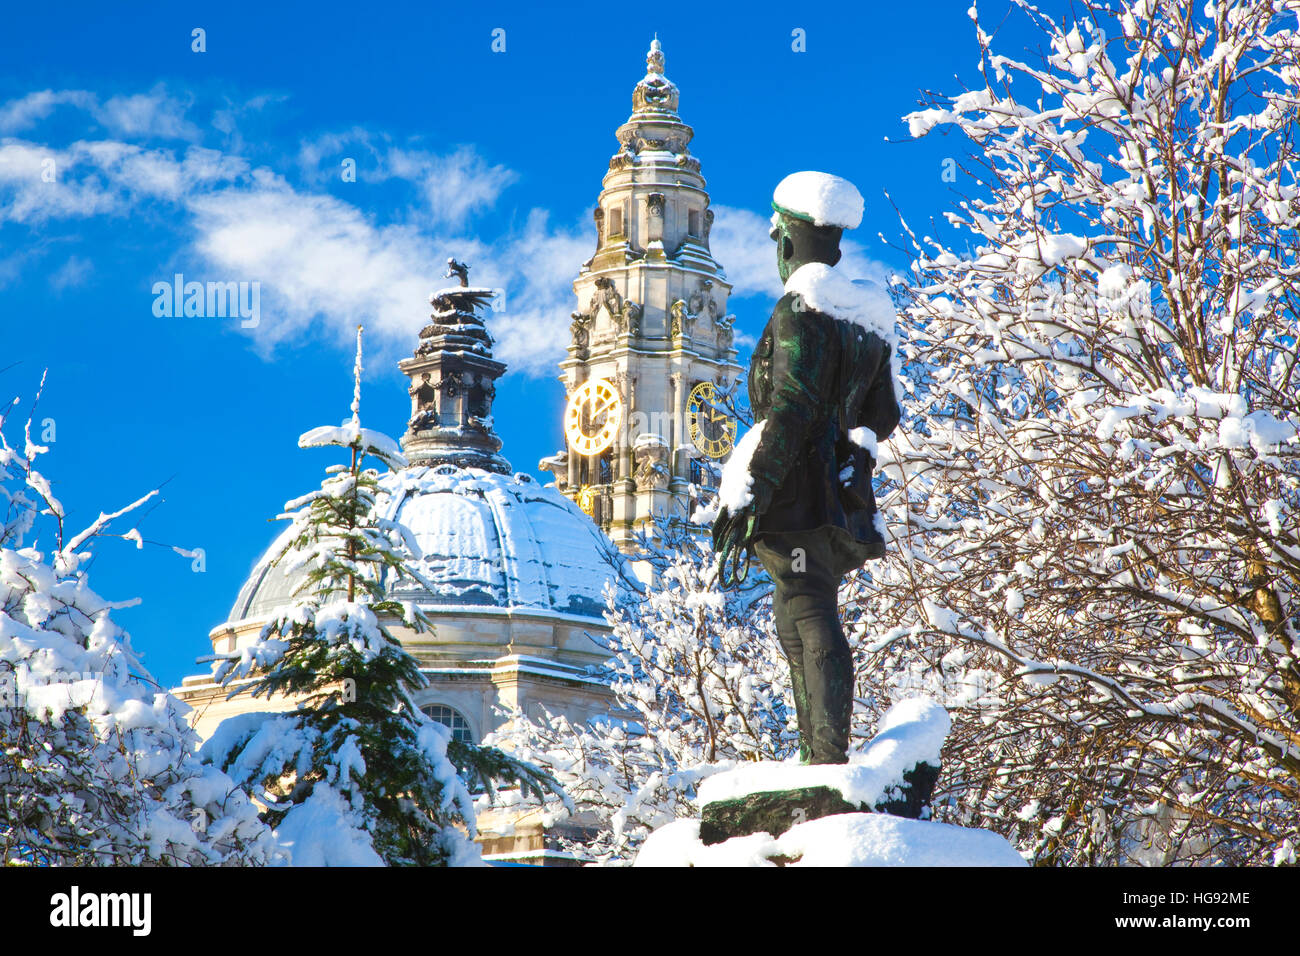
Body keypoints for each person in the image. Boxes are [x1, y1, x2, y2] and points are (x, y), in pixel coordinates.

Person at [713, 171, 900, 765]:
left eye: (777, 240)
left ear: (787, 241)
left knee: (808, 614)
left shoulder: (802, 306)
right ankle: (815, 750)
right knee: (795, 620)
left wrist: (752, 489)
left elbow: (790, 408)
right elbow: (884, 414)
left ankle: (825, 758)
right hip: (839, 496)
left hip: (797, 493)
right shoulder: (869, 316)